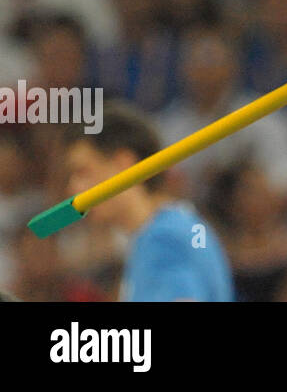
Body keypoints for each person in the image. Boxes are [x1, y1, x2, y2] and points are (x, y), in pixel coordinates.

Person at [64, 101, 235, 301]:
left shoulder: (162, 237)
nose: (73, 188)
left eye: (83, 172)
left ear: (124, 165)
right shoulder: (176, 227)